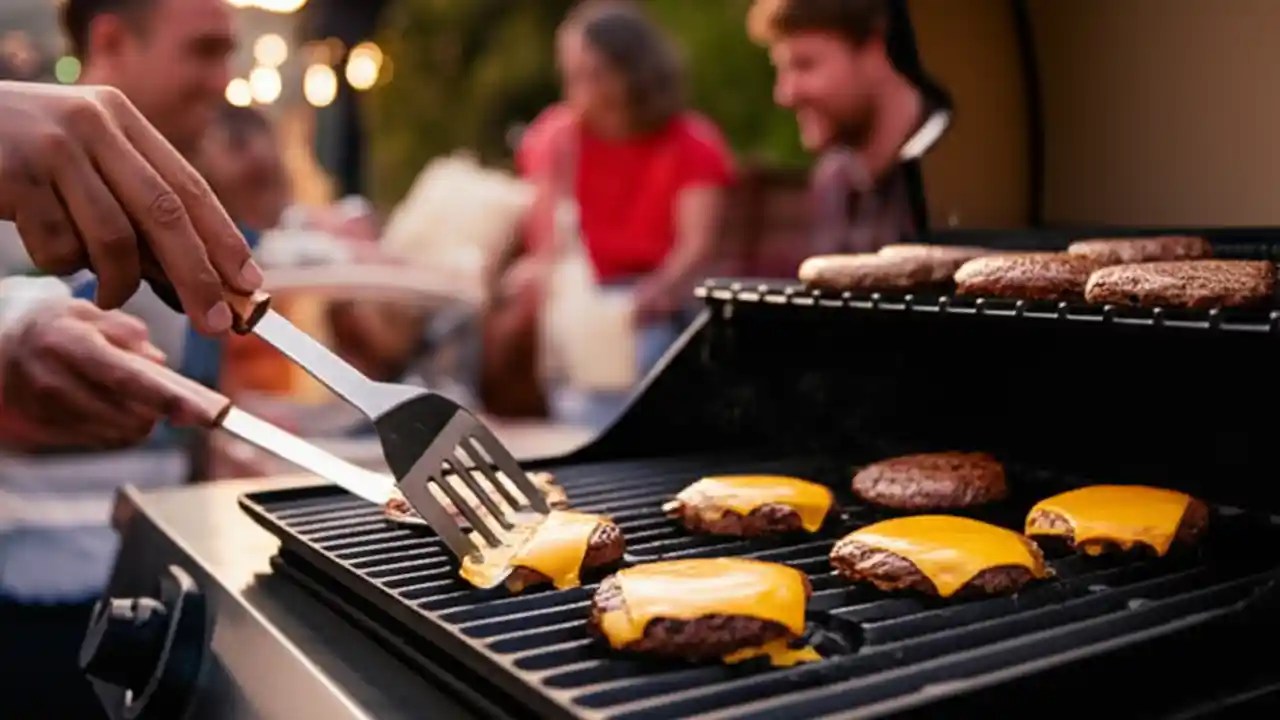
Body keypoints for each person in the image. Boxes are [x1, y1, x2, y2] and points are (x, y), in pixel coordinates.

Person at [0, 3, 251, 717]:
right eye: (204, 51)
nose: (224, 81)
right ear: (110, 38)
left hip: (167, 586)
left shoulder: (181, 185)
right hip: (35, 615)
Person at [503, 0, 734, 427]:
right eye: (572, 76)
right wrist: (542, 275)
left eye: (594, 75)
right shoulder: (560, 138)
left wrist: (653, 291)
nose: (581, 91)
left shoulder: (691, 142)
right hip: (587, 297)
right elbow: (550, 237)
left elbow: (696, 246)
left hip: (657, 300)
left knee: (645, 355)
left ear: (634, 73)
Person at [747, 0, 952, 254]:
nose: (785, 95)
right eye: (782, 71)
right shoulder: (835, 184)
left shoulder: (954, 175)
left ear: (876, 52)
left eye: (805, 64)